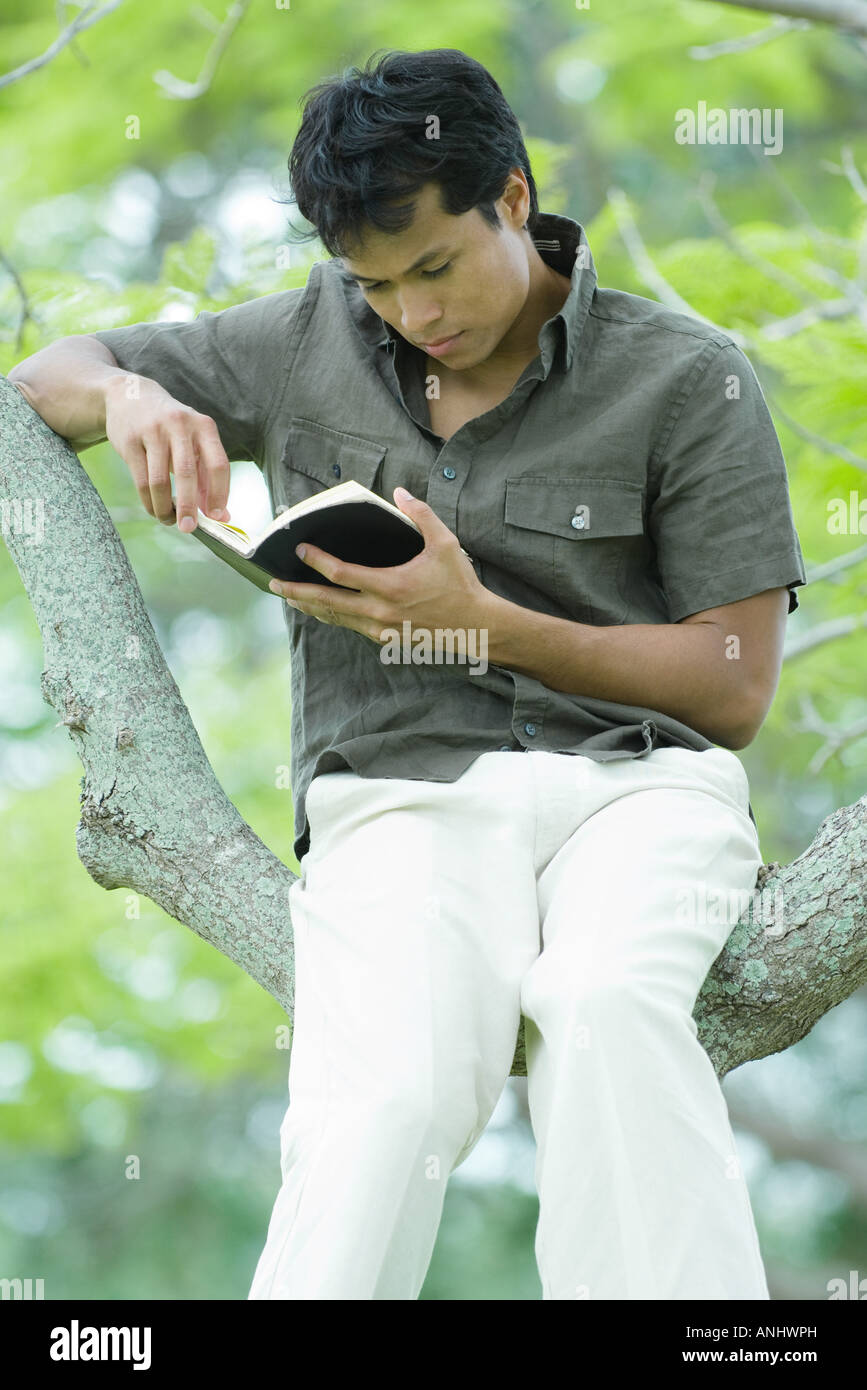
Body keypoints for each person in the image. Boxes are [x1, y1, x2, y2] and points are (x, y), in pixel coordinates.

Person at [9, 47, 807, 1301]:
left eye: (433, 267)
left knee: (608, 1012)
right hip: (399, 795)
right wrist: (122, 397)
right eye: (374, 285)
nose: (411, 313)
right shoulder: (300, 341)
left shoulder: (686, 376)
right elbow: (41, 382)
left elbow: (734, 687)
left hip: (641, 791)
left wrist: (477, 620)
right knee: (385, 1096)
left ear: (513, 195)